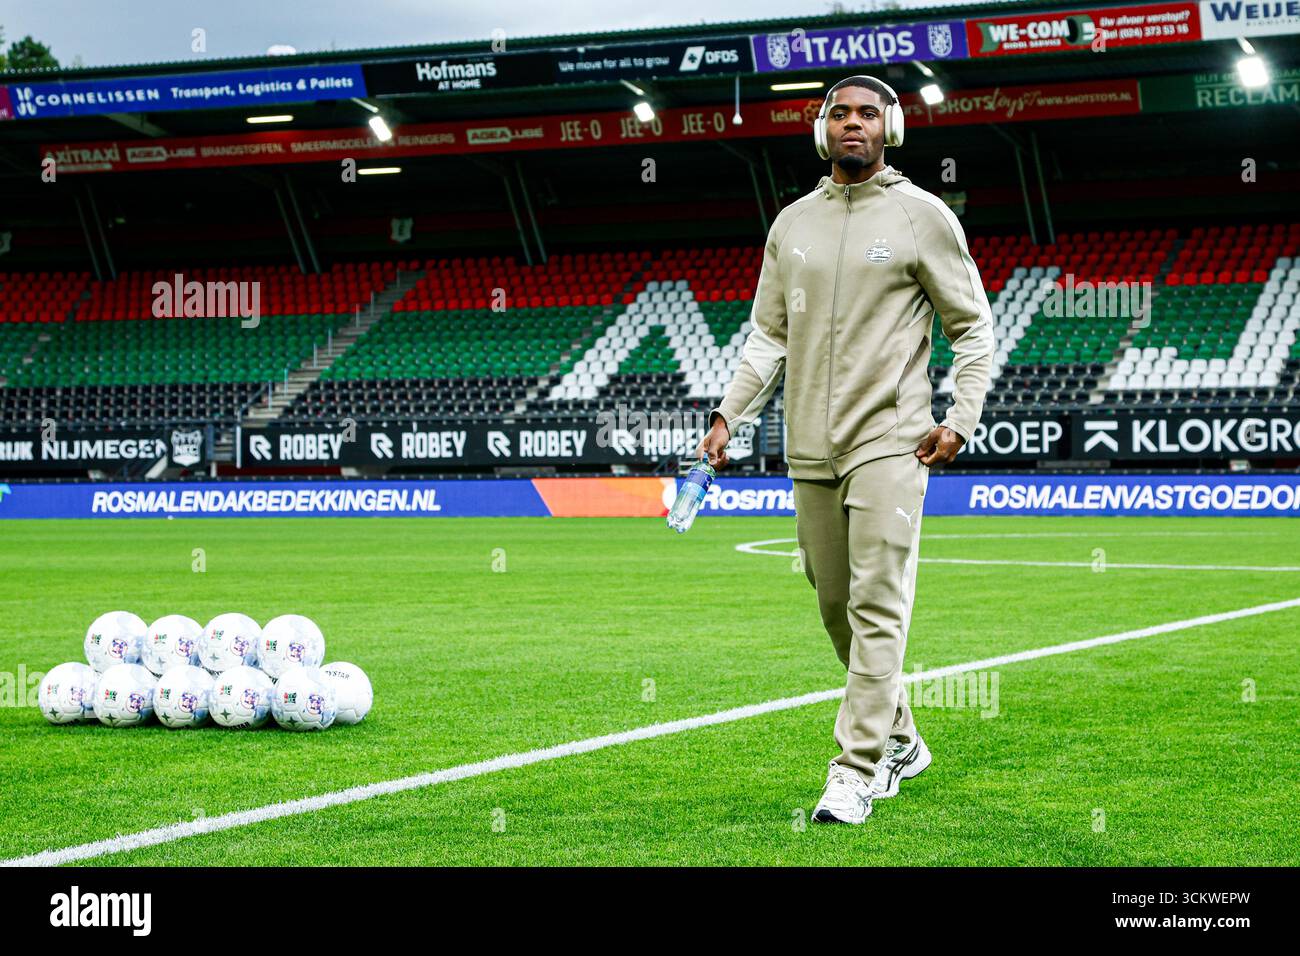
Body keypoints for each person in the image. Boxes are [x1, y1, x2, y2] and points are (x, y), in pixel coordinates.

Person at [697, 75, 995, 824]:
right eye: (840, 113)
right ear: (820, 127)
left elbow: (974, 328)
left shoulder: (923, 216)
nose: (853, 124)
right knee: (836, 606)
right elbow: (769, 335)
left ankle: (856, 769)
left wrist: (960, 416)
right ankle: (902, 739)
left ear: (889, 126)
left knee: (877, 606)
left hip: (893, 442)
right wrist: (729, 415)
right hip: (808, 448)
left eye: (868, 113)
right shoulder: (791, 223)